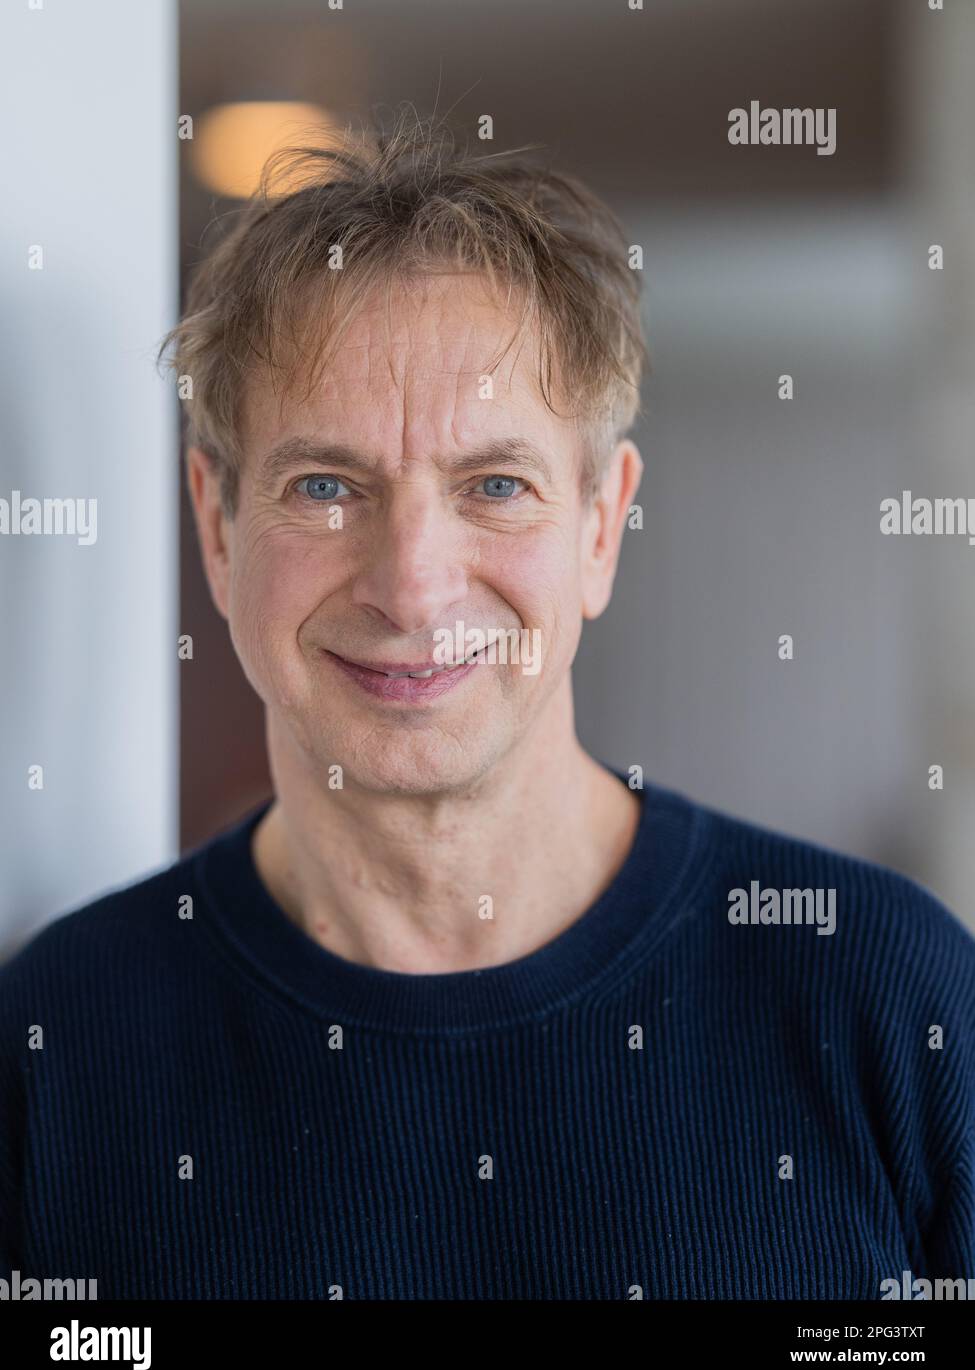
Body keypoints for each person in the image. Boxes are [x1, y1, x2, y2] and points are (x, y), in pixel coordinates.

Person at [1, 111, 972, 1301]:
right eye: (324, 485)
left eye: (496, 484)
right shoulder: (57, 1041)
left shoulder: (883, 993)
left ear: (601, 525)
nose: (413, 583)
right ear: (216, 523)